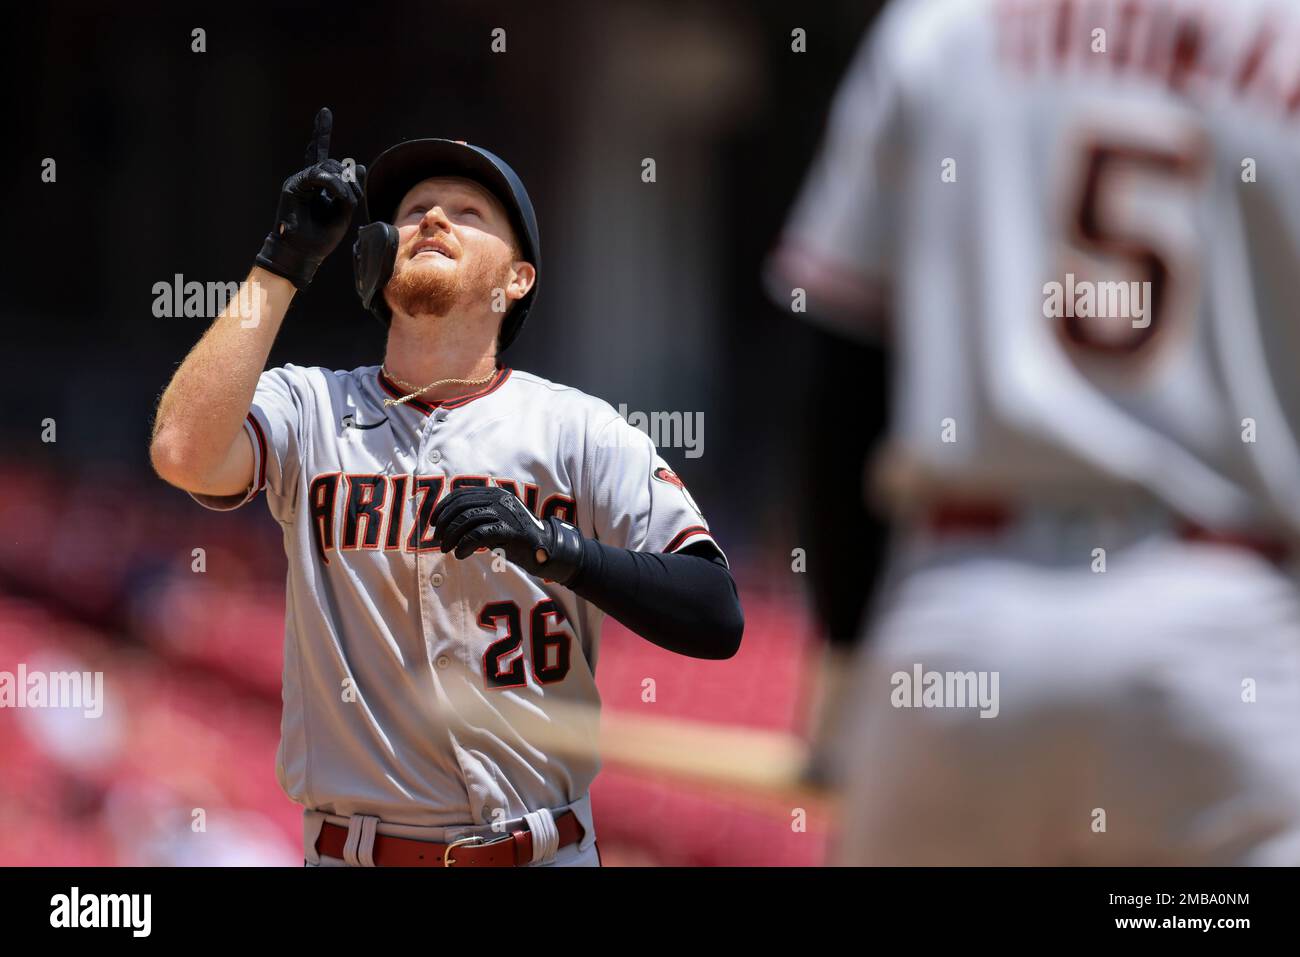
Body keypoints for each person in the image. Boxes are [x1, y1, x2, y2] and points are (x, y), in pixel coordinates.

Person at [770, 0, 1300, 864]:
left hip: (966, 609)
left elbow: (841, 372)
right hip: (1227, 623)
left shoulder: (940, 26)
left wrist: (847, 686)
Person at [150, 108, 743, 867]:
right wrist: (283, 259)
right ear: (376, 255)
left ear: (519, 277)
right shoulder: (311, 408)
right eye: (412, 210)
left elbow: (714, 610)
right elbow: (182, 451)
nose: (433, 216)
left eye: (469, 211)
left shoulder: (580, 430)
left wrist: (556, 548)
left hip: (542, 849)